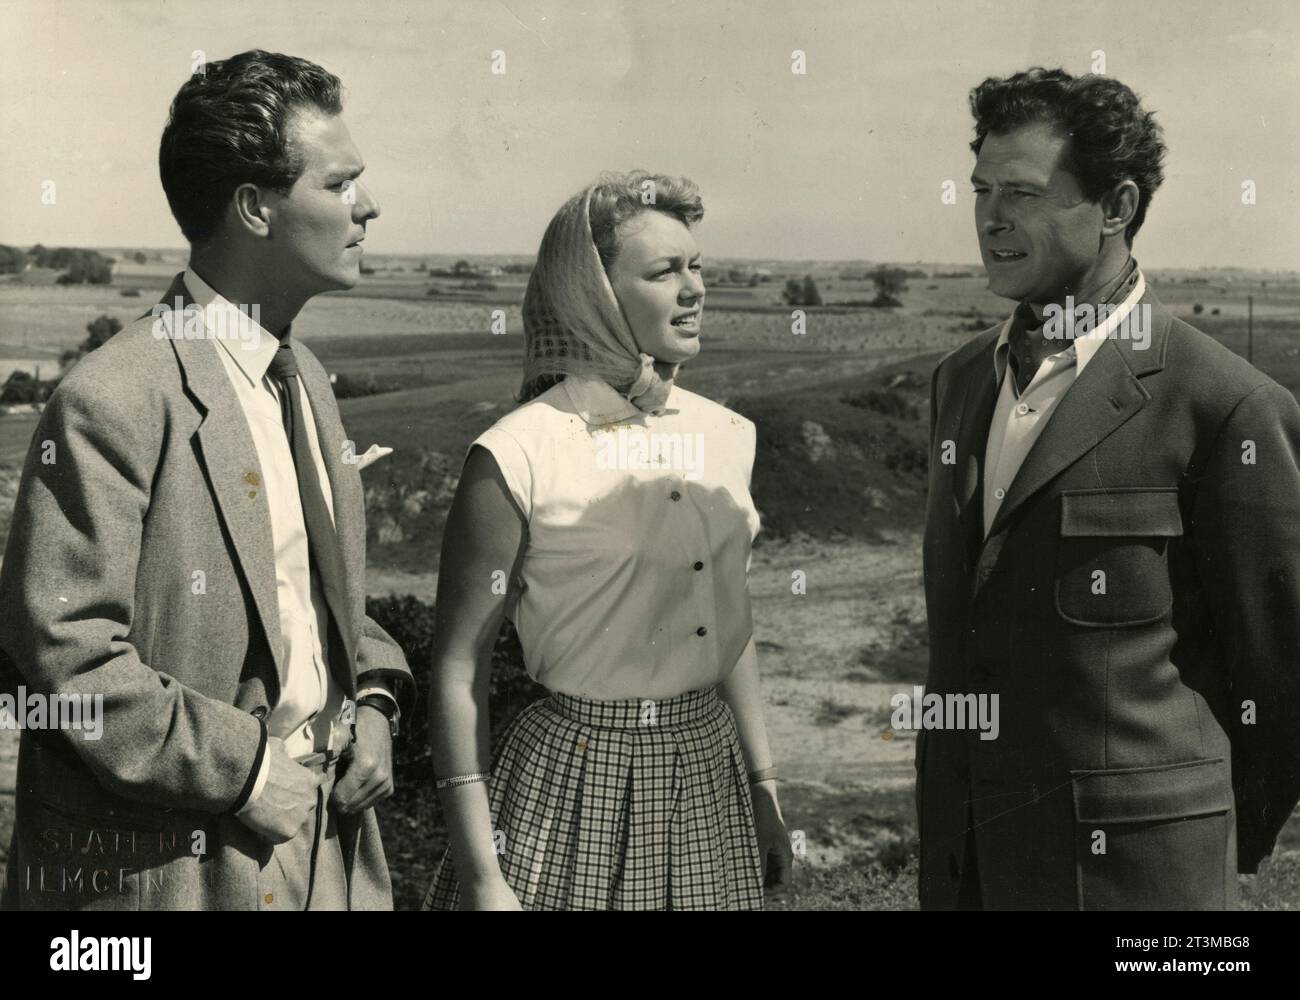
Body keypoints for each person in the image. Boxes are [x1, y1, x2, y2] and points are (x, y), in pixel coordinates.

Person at [0, 50, 412, 910]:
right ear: (255, 209)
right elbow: (64, 665)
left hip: (330, 853)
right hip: (176, 875)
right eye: (339, 185)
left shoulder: (307, 383)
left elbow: (315, 596)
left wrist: (372, 697)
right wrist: (251, 769)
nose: (367, 207)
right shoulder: (111, 399)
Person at [917, 66, 1300, 910]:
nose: (991, 217)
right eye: (982, 189)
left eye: (1023, 192)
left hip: (1142, 890)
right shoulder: (957, 384)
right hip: (969, 876)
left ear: (1117, 206)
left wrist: (1204, 843)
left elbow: (1282, 677)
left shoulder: (1225, 406)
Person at [422, 172, 792, 910]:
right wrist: (483, 875)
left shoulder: (726, 434)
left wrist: (763, 787)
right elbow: (458, 666)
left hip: (707, 784)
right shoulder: (517, 452)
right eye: (663, 272)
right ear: (591, 295)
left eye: (697, 267)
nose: (694, 289)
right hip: (572, 788)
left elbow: (728, 621)